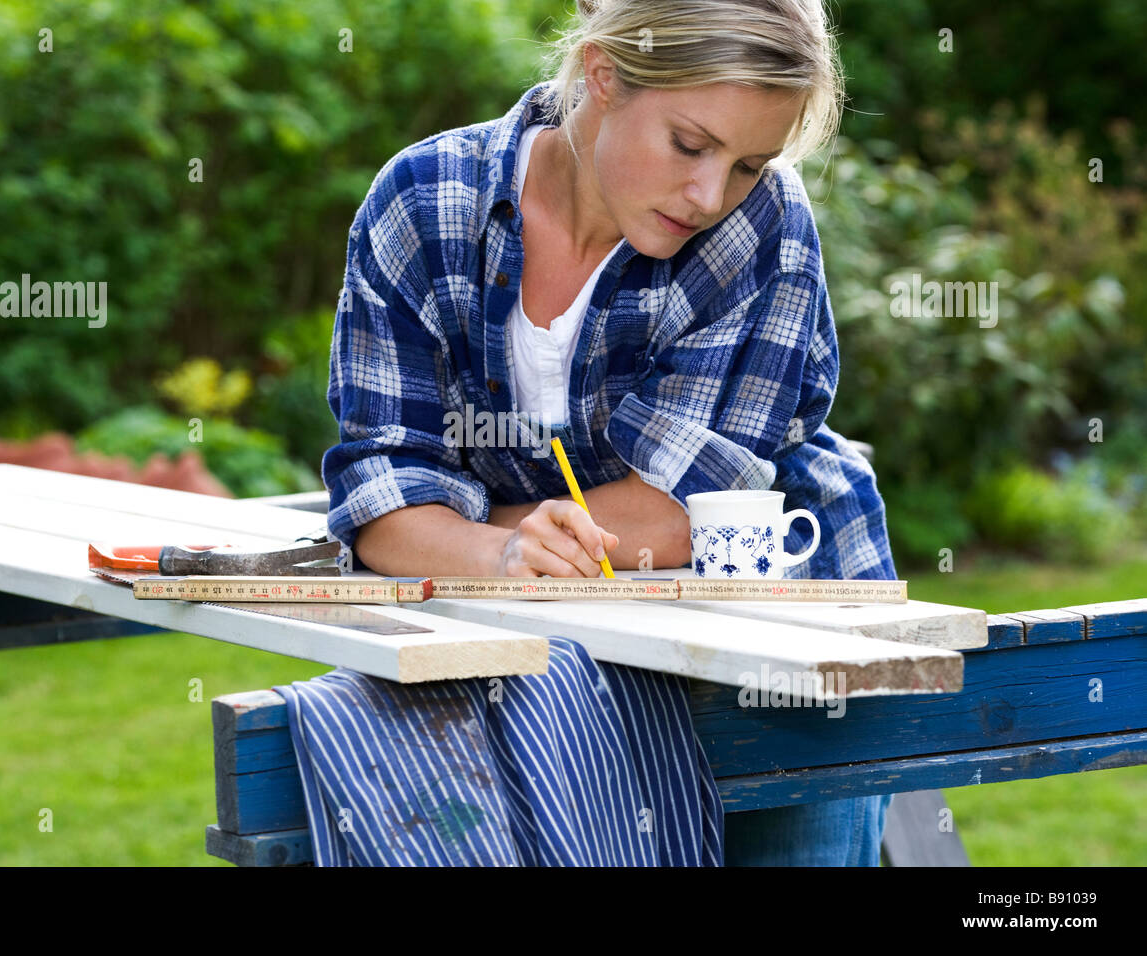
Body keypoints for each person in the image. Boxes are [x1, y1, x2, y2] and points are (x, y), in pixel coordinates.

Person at [322, 0, 897, 865]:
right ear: (602, 74)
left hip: (777, 654)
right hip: (531, 648)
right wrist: (501, 557)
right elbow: (381, 498)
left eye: (749, 163)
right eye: (690, 145)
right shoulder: (423, 204)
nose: (711, 196)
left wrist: (463, 527)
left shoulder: (764, 229)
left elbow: (680, 515)